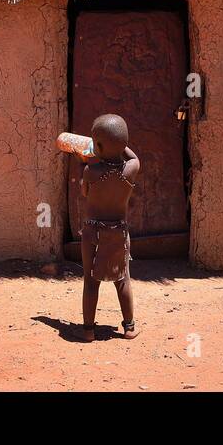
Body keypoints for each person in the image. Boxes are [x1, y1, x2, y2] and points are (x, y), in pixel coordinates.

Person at [59, 114, 140, 341]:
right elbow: (131, 155)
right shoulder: (132, 168)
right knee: (122, 279)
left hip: (93, 232)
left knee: (90, 280)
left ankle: (88, 331)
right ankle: (129, 328)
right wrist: (115, 144)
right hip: (118, 233)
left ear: (98, 146)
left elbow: (85, 193)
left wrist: (82, 161)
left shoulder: (91, 172)